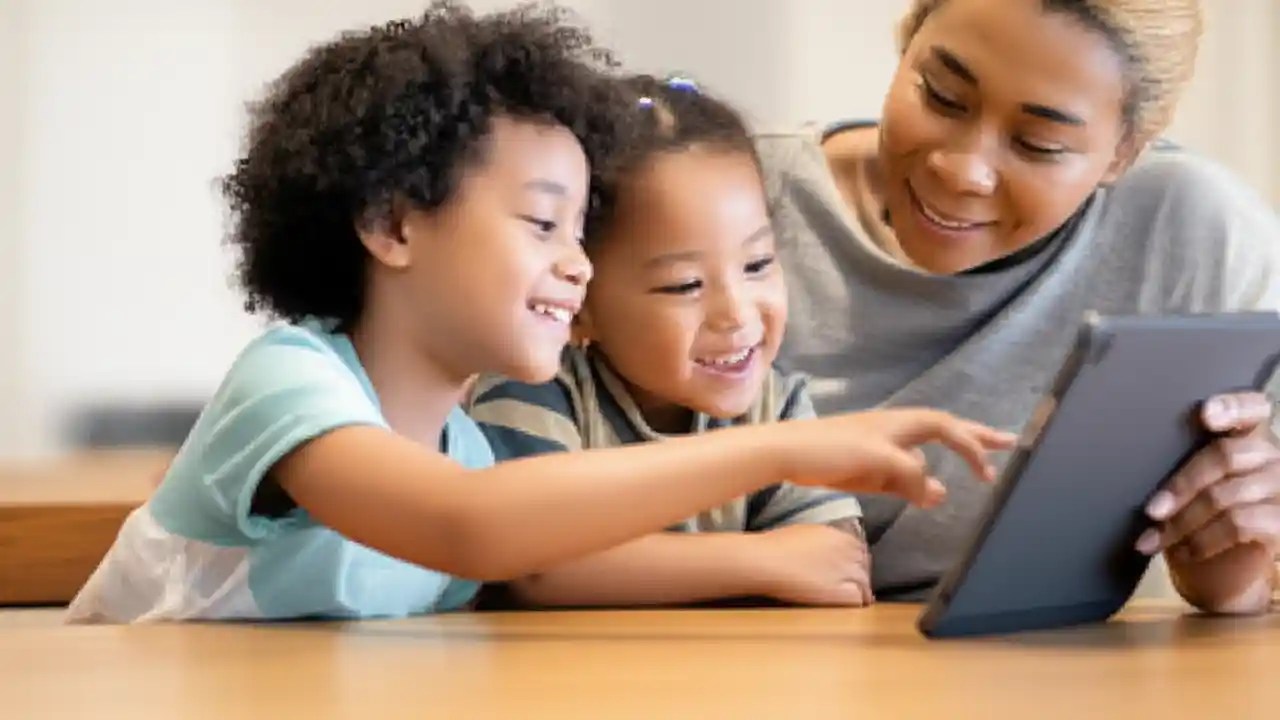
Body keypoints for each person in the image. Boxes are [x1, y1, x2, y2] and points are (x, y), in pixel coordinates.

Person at [65, 2, 1012, 624]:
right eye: (545, 223)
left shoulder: (467, 448)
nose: (578, 264)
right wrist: (782, 451)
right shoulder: (289, 381)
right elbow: (473, 531)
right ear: (394, 222)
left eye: (582, 234)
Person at [756, 0, 1280, 613]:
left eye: (1039, 144)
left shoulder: (1192, 233)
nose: (962, 171)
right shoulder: (737, 198)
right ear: (908, 42)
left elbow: (1251, 579)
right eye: (943, 96)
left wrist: (1235, 570)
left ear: (1124, 151)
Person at [468, 76, 872, 609]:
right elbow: (534, 563)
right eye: (685, 285)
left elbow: (838, 560)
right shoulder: (535, 390)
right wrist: (763, 560)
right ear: (582, 302)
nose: (735, 313)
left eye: (757, 265)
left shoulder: (777, 404)